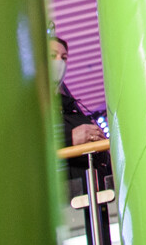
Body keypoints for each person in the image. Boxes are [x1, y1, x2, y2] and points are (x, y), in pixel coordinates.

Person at [50, 37, 111, 193]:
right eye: (52, 56)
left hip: (95, 193)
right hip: (66, 199)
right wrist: (70, 138)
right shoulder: (26, 105)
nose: (60, 62)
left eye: (64, 58)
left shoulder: (71, 107)